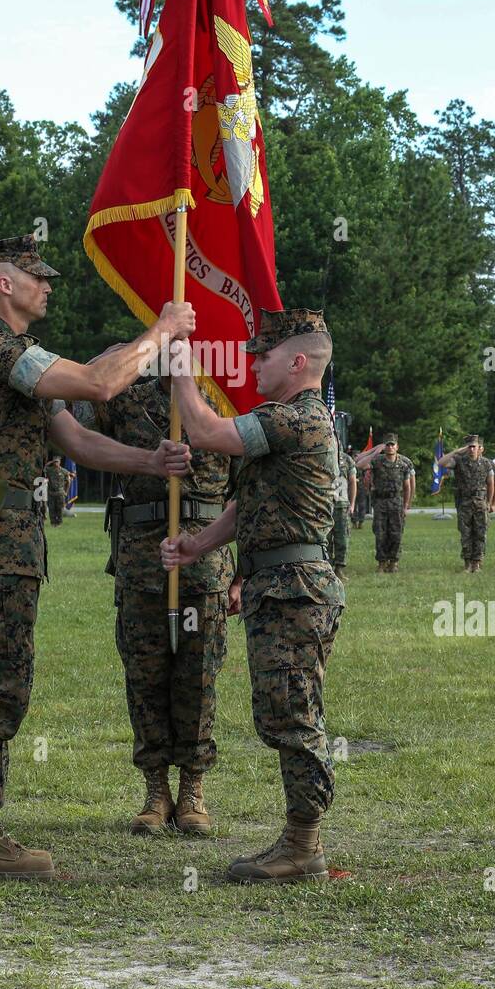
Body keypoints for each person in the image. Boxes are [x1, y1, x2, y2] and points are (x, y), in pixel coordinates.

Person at [0, 233, 195, 881]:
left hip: (6, 531)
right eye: (36, 277)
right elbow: (102, 385)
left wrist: (147, 460)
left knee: (5, 680)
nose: (48, 286)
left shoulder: (17, 358)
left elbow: (73, 437)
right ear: (4, 285)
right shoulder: (2, 351)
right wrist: (161, 331)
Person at [161, 308, 343, 884]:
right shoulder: (286, 422)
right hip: (279, 586)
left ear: (297, 362)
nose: (251, 365)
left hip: (295, 590)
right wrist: (198, 544)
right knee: (281, 712)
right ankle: (297, 839)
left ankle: (303, 845)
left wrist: (180, 363)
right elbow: (252, 505)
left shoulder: (300, 419)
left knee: (293, 714)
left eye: (262, 356)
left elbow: (208, 432)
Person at [76, 366, 236, 837]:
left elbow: (249, 492)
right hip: (141, 560)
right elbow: (77, 420)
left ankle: (193, 789)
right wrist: (112, 361)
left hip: (204, 563)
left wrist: (241, 574)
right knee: (144, 677)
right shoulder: (126, 397)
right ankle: (155, 789)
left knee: (198, 676)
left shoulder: (222, 401)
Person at [437, 434, 495, 571]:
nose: (471, 449)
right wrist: (456, 451)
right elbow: (441, 463)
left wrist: (491, 503)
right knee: (466, 534)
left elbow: (491, 484)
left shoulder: (487, 463)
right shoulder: (459, 461)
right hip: (464, 502)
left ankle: (477, 562)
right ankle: (468, 563)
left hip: (480, 502)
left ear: (479, 448)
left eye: (473, 447)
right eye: (469, 447)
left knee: (480, 533)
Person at [356, 433, 413, 573]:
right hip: (380, 501)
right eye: (387, 445)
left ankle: (393, 562)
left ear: (397, 447)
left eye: (392, 444)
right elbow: (360, 465)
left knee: (396, 533)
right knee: (380, 533)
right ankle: (381, 562)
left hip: (396, 501)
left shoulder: (403, 464)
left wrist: (406, 506)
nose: (390, 447)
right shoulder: (377, 461)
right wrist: (376, 451)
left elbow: (407, 487)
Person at [328, 440, 356, 581]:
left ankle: (339, 568)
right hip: (325, 504)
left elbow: (352, 482)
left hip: (342, 505)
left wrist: (352, 504)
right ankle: (326, 569)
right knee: (325, 539)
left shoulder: (347, 460)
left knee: (342, 538)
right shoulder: (321, 456)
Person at [45, 456, 71, 527]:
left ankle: (59, 523)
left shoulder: (64, 471)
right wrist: (49, 462)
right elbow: (43, 468)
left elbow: (68, 482)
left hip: (60, 493)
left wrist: (66, 492)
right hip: (51, 493)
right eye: (54, 461)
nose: (56, 463)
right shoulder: (49, 470)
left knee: (60, 509)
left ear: (60, 462)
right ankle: (53, 523)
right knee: (51, 509)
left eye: (57, 461)